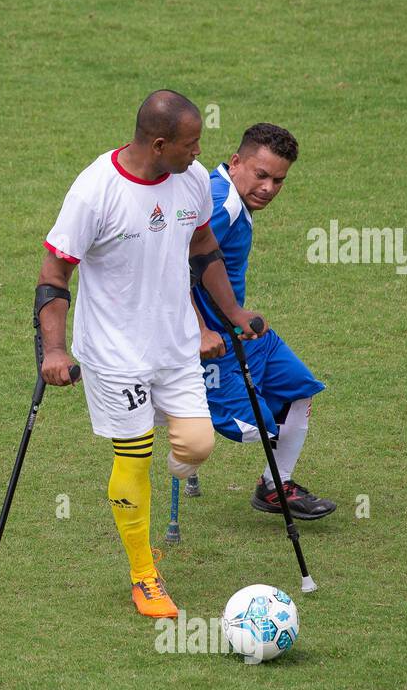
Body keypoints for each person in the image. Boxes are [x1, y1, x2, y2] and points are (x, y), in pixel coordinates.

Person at [38, 90, 267, 619]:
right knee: (133, 453)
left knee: (197, 445)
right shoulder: (96, 192)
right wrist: (53, 350)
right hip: (116, 353)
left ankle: (153, 513)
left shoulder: (188, 180)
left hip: (175, 343)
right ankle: (144, 574)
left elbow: (203, 246)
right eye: (190, 145)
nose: (199, 155)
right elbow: (54, 275)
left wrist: (233, 315)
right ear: (159, 144)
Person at [193, 123, 335, 519]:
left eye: (278, 180)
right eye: (261, 175)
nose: (269, 188)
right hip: (210, 342)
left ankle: (276, 487)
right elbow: (169, 269)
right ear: (236, 162)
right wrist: (200, 331)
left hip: (240, 331)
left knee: (299, 389)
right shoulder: (221, 205)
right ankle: (169, 405)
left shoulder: (230, 198)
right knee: (254, 426)